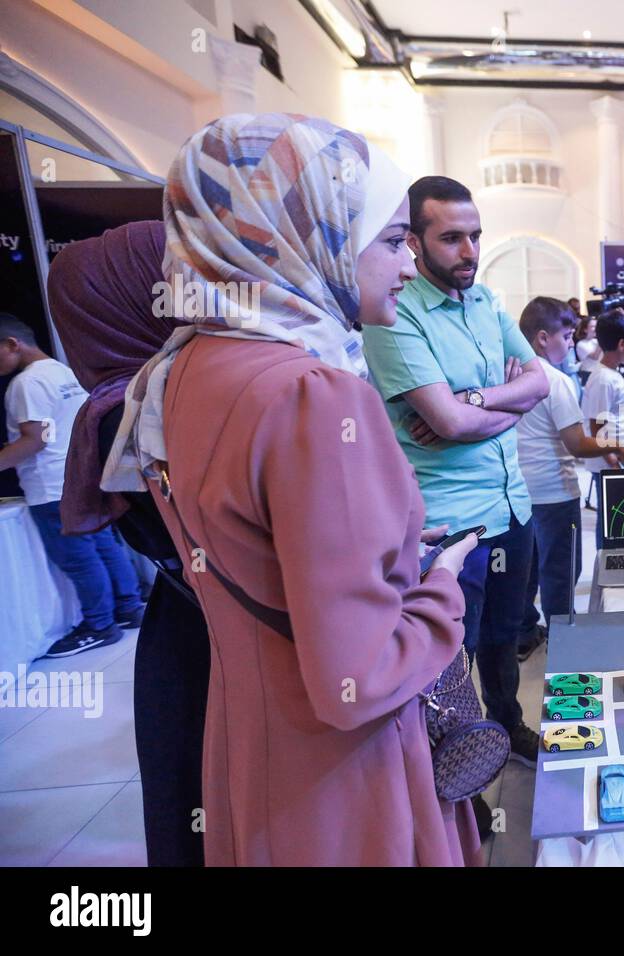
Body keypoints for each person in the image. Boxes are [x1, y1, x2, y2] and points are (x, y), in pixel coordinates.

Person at [103, 113, 480, 866]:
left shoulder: (178, 371)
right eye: (387, 239)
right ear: (305, 235)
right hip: (345, 766)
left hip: (251, 739)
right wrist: (441, 587)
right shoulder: (314, 393)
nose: (407, 264)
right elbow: (358, 677)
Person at [361, 175, 550, 799]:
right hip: (450, 526)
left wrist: (474, 401)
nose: (468, 251)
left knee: (504, 639)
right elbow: (446, 424)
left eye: (474, 236)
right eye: (451, 238)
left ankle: (507, 727)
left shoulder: (488, 302)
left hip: (511, 505)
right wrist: (484, 409)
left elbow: (538, 383)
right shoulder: (393, 314)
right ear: (413, 242)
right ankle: (442, 771)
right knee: (445, 656)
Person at [46, 220, 210, 867]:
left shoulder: (135, 398)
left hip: (192, 629)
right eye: (172, 279)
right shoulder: (138, 411)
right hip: (207, 641)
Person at [0, 313, 145, 657]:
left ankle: (99, 625)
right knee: (104, 545)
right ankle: (128, 606)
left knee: (80, 558)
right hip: (80, 475)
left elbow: (34, 440)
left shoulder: (26, 384)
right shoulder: (64, 371)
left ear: (11, 345)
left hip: (50, 484)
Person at [514, 297, 624, 660]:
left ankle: (523, 634)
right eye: (566, 336)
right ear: (543, 338)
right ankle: (563, 643)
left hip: (518, 491)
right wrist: (617, 445)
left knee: (525, 569)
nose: (571, 343)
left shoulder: (505, 374)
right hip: (554, 491)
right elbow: (577, 444)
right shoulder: (555, 381)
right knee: (561, 571)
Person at [582, 312, 624, 469]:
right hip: (609, 466)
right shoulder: (604, 379)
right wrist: (613, 463)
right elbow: (597, 427)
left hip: (617, 461)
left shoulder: (610, 375)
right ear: (622, 344)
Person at [574, 315, 603, 386]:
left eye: (597, 326)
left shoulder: (596, 341)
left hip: (600, 372)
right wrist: (601, 339)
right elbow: (595, 356)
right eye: (593, 326)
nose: (596, 329)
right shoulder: (581, 344)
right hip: (588, 374)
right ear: (585, 329)